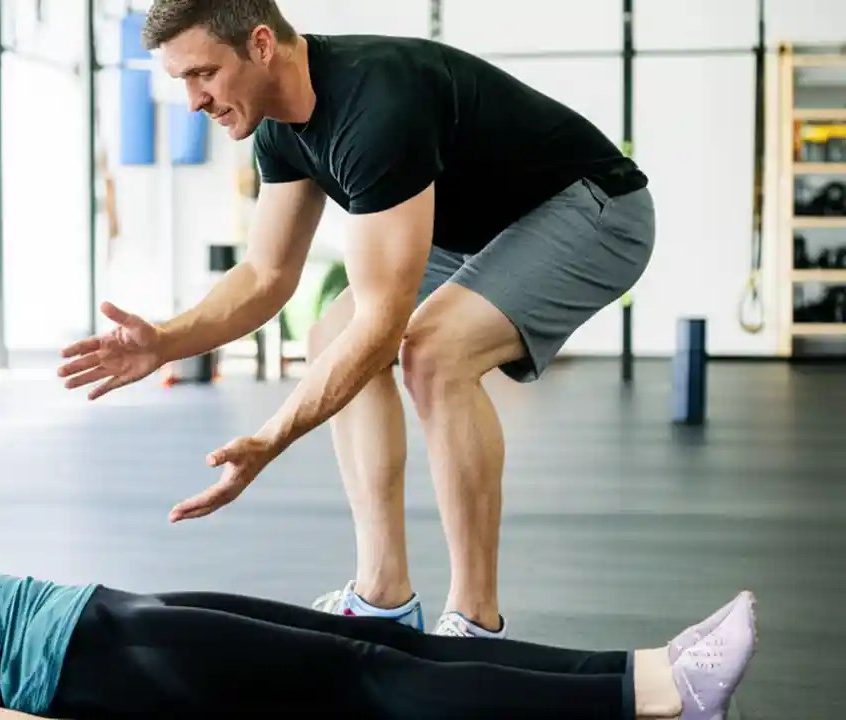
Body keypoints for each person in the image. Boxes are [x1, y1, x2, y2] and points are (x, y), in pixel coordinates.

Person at [58, 0, 656, 638]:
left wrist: (272, 437)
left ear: (261, 45)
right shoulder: (278, 125)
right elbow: (265, 275)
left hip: (595, 210)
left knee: (431, 355)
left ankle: (475, 618)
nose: (194, 102)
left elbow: (381, 330)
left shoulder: (376, 105)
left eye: (203, 73)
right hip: (480, 230)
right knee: (331, 335)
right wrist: (167, 341)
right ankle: (383, 593)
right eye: (182, 81)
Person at [0, 495, 754, 719]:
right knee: (366, 681)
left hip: (115, 617)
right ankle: (655, 694)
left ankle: (639, 665)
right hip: (107, 666)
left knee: (367, 643)